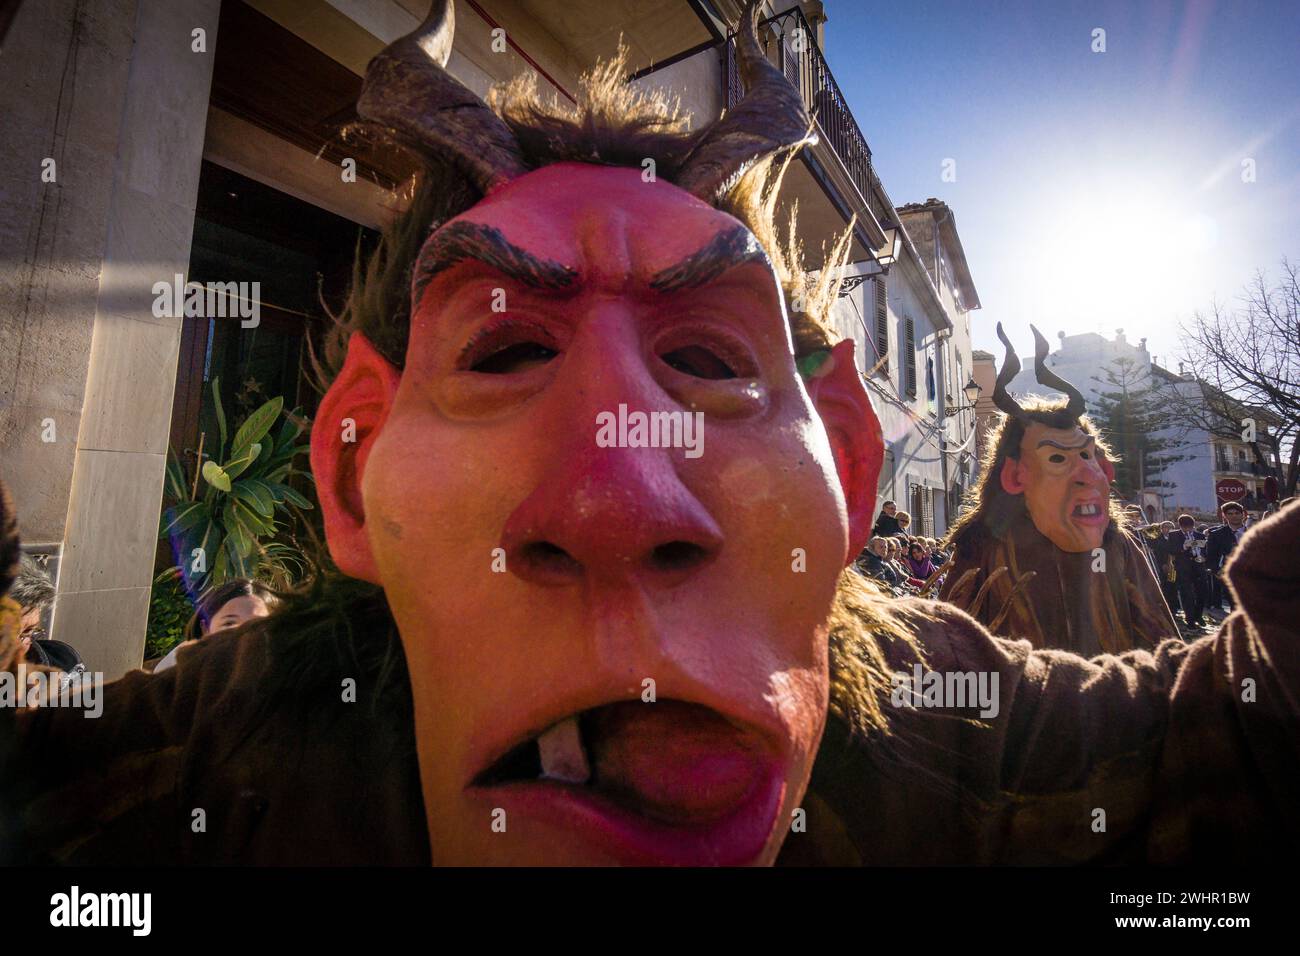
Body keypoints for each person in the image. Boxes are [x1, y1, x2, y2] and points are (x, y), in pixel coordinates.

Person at [2, 2, 1299, 867]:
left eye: (706, 359)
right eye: (504, 350)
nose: (619, 497)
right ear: (353, 472)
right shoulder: (200, 778)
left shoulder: (957, 738)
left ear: (848, 465)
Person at [938, 325, 1179, 656]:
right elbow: (948, 651)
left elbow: (1162, 645)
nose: (1088, 474)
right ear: (1015, 476)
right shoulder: (983, 549)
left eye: (1086, 454)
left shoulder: (1115, 546)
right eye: (1056, 458)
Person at [153, 579, 276, 673]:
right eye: (229, 623)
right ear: (205, 628)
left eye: (256, 624)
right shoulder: (177, 668)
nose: (243, 633)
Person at [1165, 514, 1209, 630]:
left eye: (1190, 527)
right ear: (1180, 526)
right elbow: (1171, 550)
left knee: (1202, 594)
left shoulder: (1199, 535)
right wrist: (1183, 547)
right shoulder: (1173, 535)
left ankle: (1198, 616)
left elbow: (1204, 549)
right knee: (1187, 595)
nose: (1188, 530)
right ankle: (1190, 620)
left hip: (1199, 567)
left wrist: (1203, 556)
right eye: (1186, 527)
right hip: (1183, 568)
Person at [1206, 502, 1248, 612]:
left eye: (1237, 513)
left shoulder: (1254, 531)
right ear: (1225, 516)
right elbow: (1210, 556)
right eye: (1230, 513)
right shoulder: (1216, 534)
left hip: (1251, 575)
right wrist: (1217, 571)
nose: (1234, 516)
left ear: (1243, 514)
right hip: (1228, 575)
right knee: (1235, 605)